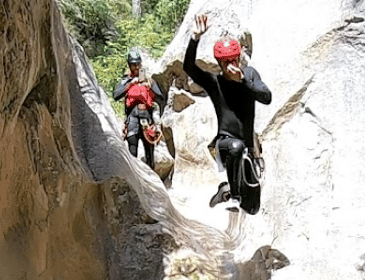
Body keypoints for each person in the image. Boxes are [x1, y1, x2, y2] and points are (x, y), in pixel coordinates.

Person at [184, 14, 272, 213]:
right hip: (226, 145)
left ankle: (225, 189)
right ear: (219, 63)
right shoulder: (215, 83)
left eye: (232, 60)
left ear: (239, 58)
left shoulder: (249, 75)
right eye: (224, 62)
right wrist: (195, 38)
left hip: (248, 148)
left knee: (252, 208)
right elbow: (188, 67)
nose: (230, 65)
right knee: (235, 146)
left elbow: (267, 97)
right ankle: (233, 196)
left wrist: (244, 82)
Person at [112, 48, 166, 169]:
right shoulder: (126, 80)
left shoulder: (148, 80)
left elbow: (160, 98)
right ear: (129, 65)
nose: (136, 67)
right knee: (132, 153)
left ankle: (151, 180)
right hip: (132, 119)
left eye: (137, 64)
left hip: (147, 118)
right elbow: (116, 95)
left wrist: (150, 87)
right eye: (133, 64)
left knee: (150, 154)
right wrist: (131, 83)